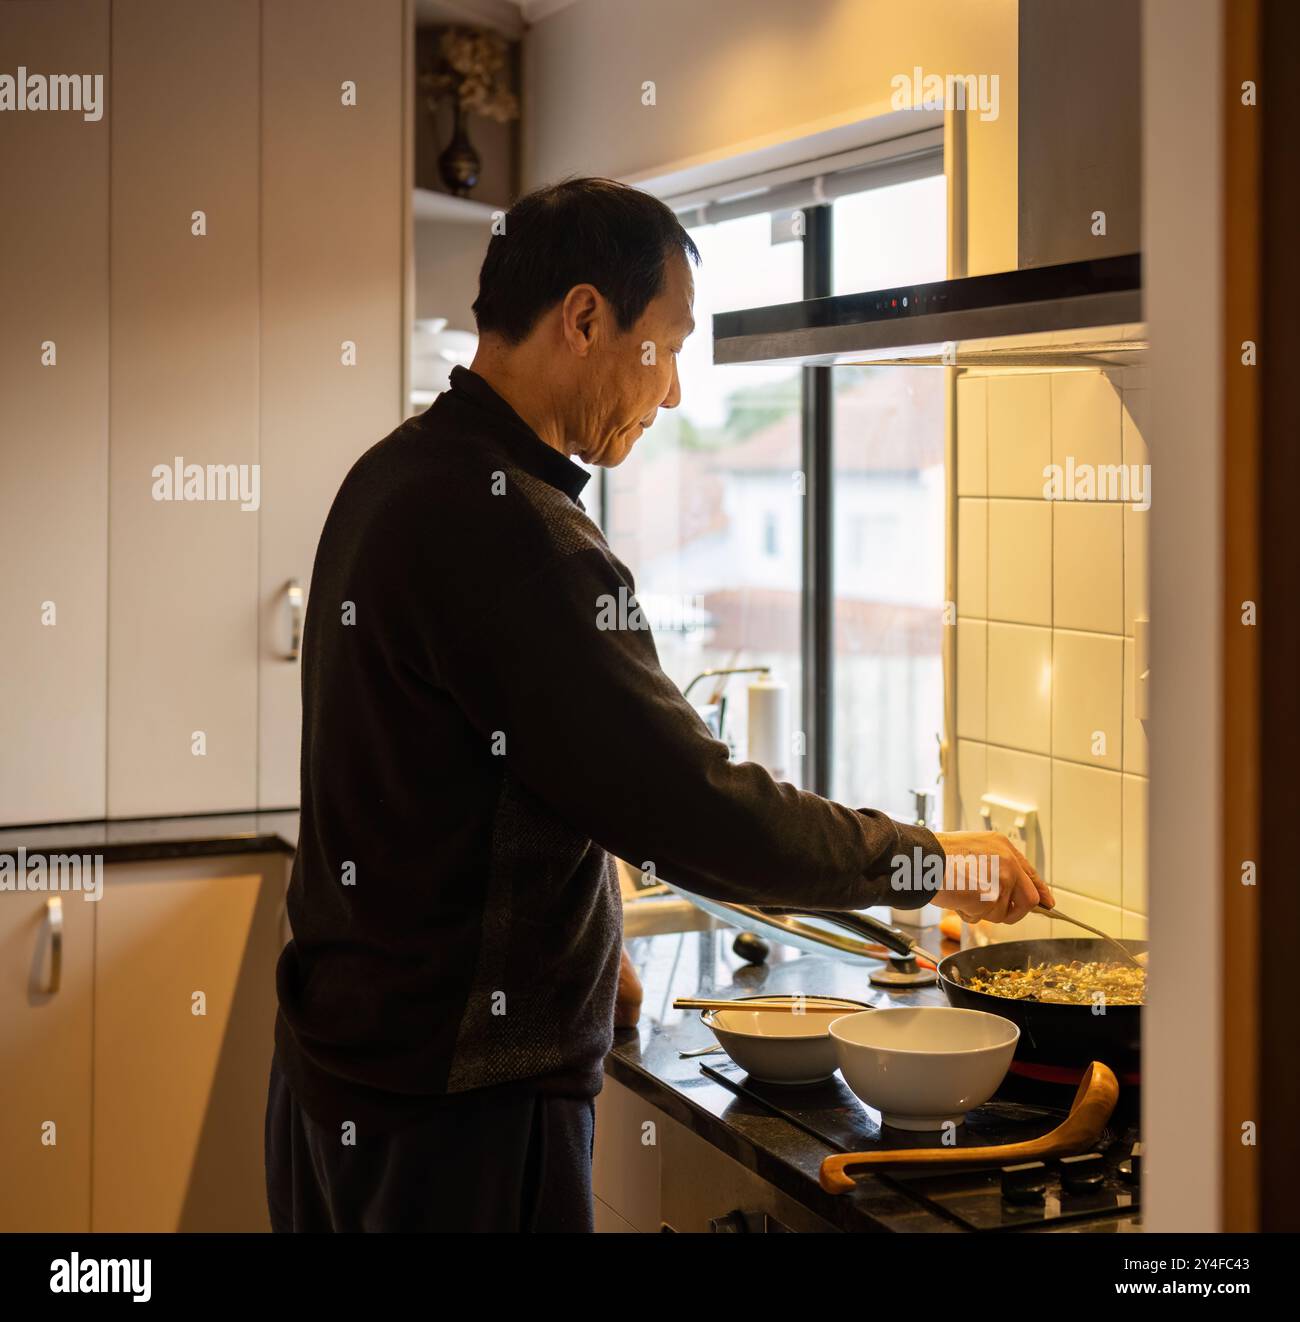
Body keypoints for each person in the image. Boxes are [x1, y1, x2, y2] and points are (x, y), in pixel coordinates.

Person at [265, 177, 1051, 1234]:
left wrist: (581, 948)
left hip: (342, 1077)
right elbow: (704, 813)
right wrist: (936, 858)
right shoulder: (522, 538)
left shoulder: (394, 475)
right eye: (668, 344)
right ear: (585, 318)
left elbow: (458, 778)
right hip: (456, 1116)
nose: (674, 390)